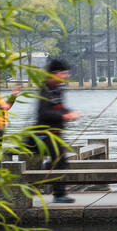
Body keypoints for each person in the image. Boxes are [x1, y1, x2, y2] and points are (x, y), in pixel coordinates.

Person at [36, 58, 80, 204]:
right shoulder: (46, 90)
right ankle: (58, 193)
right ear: (56, 73)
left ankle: (56, 190)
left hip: (56, 134)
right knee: (59, 160)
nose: (67, 76)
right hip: (44, 134)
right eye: (65, 73)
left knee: (61, 161)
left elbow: (59, 108)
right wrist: (64, 115)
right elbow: (44, 113)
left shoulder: (57, 90)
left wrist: (69, 113)